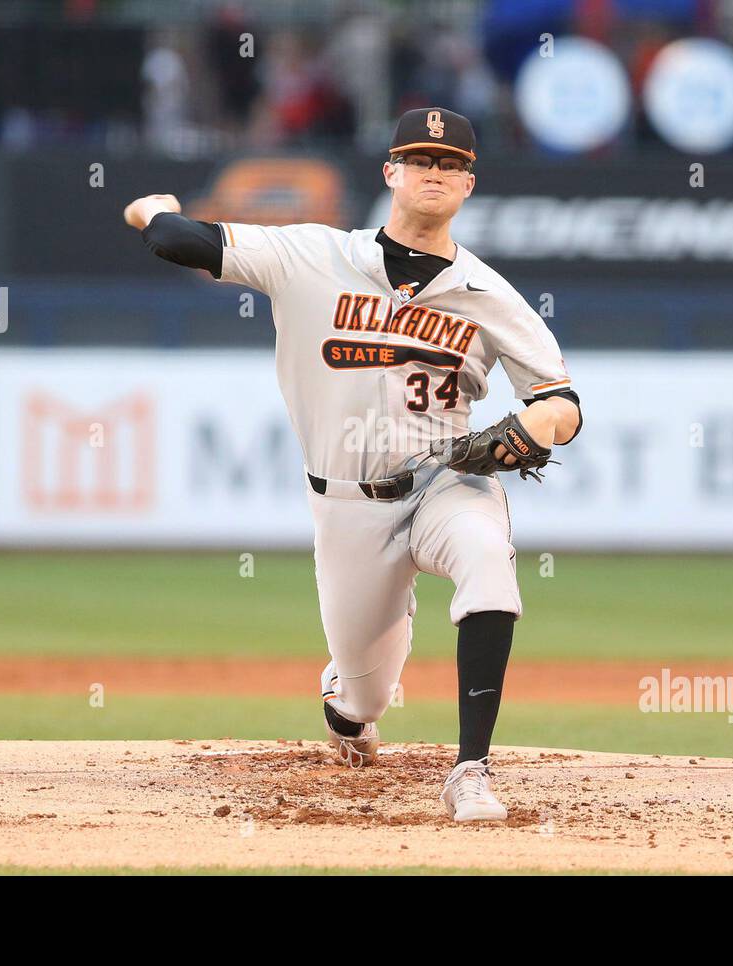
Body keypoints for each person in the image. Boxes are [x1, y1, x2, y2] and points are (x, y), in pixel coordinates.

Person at [123, 107, 581, 822]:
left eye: (451, 163)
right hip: (346, 505)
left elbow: (563, 402)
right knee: (364, 696)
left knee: (489, 562)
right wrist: (154, 208)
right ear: (389, 172)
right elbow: (179, 241)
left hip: (448, 477)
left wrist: (536, 426)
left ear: (469, 184)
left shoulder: (491, 295)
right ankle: (349, 706)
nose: (436, 172)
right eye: (421, 159)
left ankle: (471, 773)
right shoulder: (311, 254)